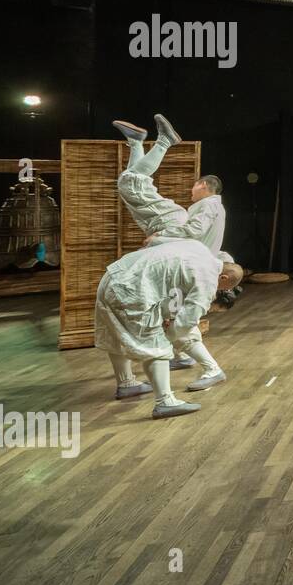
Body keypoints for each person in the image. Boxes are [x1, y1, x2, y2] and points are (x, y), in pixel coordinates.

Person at [111, 115, 234, 385]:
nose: (191, 191)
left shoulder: (210, 204)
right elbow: (213, 249)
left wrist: (160, 237)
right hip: (181, 256)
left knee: (131, 182)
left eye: (194, 186)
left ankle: (163, 141)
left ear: (203, 186)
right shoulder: (211, 214)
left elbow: (193, 231)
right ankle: (135, 143)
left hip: (177, 242)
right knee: (131, 183)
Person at [95, 239, 244, 418]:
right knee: (157, 344)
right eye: (224, 289)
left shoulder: (198, 247)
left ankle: (127, 383)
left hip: (114, 275)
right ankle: (165, 402)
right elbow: (186, 322)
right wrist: (170, 333)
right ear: (223, 278)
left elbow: (155, 242)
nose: (219, 292)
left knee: (117, 332)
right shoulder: (208, 280)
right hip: (132, 289)